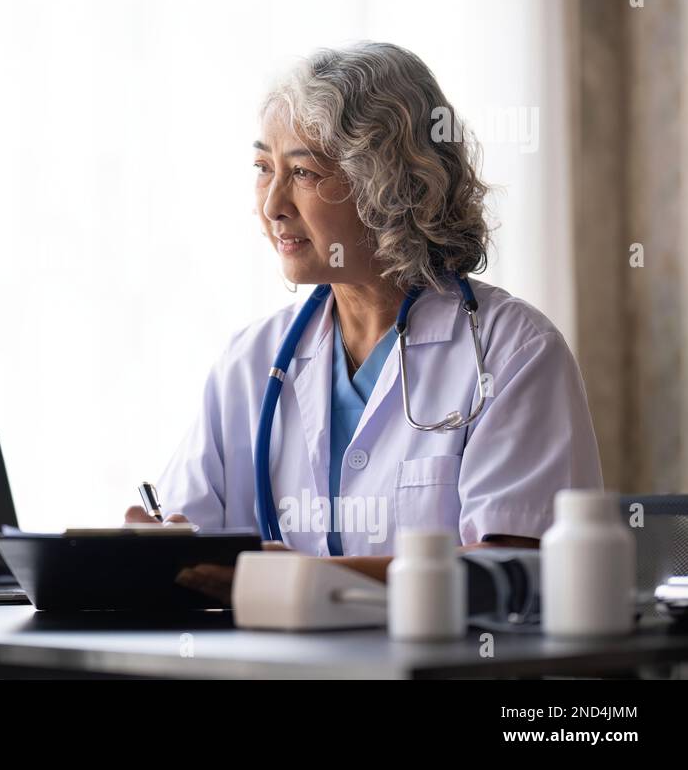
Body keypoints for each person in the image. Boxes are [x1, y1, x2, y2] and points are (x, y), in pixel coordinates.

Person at [126, 42, 602, 586]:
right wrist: (151, 549)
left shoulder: (512, 351)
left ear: (392, 183)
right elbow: (187, 539)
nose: (271, 205)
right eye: (263, 168)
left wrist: (312, 580)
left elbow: (514, 573)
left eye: (302, 173)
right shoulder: (250, 361)